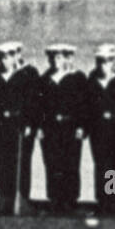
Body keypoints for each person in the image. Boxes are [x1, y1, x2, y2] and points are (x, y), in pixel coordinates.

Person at [0, 42, 38, 213]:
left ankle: (22, 198)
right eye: (1, 57)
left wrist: (30, 123)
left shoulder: (28, 75)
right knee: (1, 162)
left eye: (8, 57)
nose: (4, 61)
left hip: (19, 126)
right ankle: (5, 197)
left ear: (16, 56)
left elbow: (33, 102)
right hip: (0, 126)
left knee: (22, 163)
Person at [37, 44, 87, 212]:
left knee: (71, 164)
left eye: (58, 57)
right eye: (52, 58)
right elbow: (40, 106)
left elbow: (83, 105)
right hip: (51, 128)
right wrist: (40, 127)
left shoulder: (78, 78)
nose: (54, 61)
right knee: (52, 163)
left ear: (67, 58)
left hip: (71, 127)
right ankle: (55, 198)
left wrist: (81, 126)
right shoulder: (45, 79)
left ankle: (71, 199)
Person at [85, 44, 115, 214]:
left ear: (113, 61)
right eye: (101, 61)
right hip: (98, 131)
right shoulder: (92, 82)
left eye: (107, 61)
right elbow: (87, 107)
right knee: (102, 163)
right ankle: (105, 199)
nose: (104, 64)